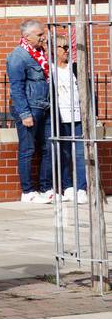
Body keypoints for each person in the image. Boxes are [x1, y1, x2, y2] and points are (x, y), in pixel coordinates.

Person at [7, 19, 54, 204]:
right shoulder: (18, 56)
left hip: (45, 107)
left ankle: (45, 188)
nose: (43, 38)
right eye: (40, 35)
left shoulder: (40, 55)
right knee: (27, 149)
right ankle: (27, 191)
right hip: (30, 109)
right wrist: (24, 113)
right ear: (27, 36)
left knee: (48, 148)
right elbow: (16, 88)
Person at [52, 37, 90, 205]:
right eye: (63, 47)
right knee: (64, 153)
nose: (66, 50)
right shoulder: (50, 70)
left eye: (68, 47)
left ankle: (81, 188)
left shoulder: (74, 68)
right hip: (60, 117)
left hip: (78, 117)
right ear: (54, 49)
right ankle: (67, 186)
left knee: (81, 154)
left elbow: (88, 90)